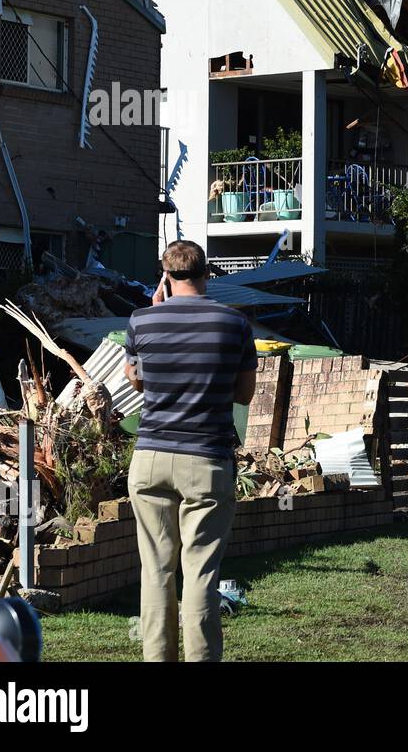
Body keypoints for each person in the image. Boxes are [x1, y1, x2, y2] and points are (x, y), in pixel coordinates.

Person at [123, 241, 257, 662]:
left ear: (165, 275)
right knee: (200, 573)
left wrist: (154, 313)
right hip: (206, 459)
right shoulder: (234, 324)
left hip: (149, 459)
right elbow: (246, 394)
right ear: (207, 273)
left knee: (156, 570)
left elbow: (136, 382)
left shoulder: (141, 321)